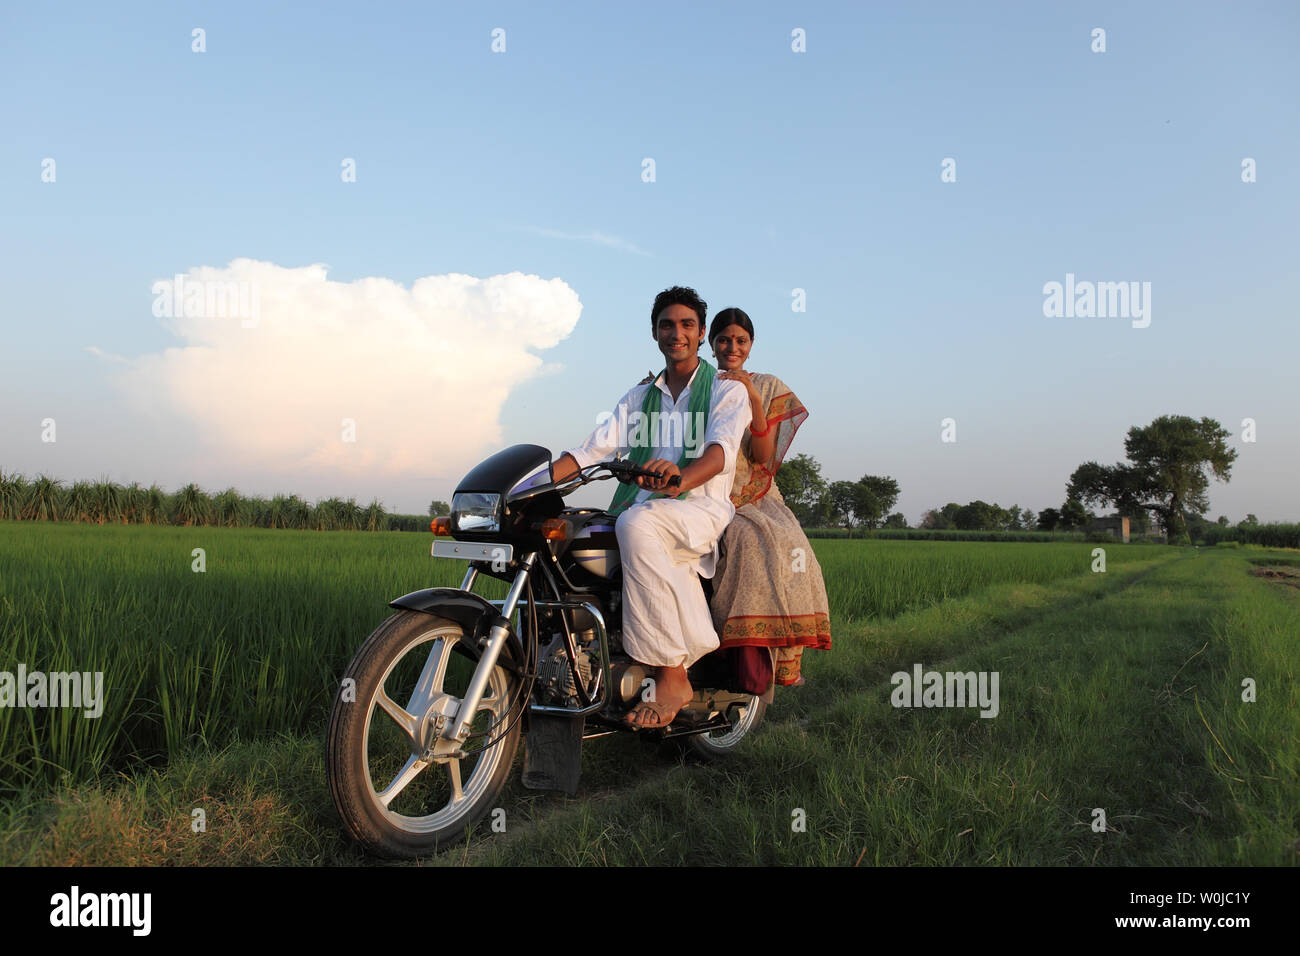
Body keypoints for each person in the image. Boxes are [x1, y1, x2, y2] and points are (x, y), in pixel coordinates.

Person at [550, 287, 751, 729]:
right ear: (655, 333)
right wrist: (527, 483)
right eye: (666, 325)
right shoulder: (640, 397)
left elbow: (720, 452)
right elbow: (589, 452)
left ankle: (673, 675)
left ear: (700, 335)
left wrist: (680, 479)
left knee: (638, 522)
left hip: (699, 507)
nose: (675, 333)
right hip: (646, 508)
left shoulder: (726, 390)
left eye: (686, 325)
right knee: (570, 536)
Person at [707, 307, 831, 688]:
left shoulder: (767, 384)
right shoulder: (698, 384)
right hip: (704, 487)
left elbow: (762, 457)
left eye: (740, 340)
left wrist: (752, 399)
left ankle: (774, 662)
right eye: (724, 339)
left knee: (784, 547)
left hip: (754, 493)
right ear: (711, 343)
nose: (732, 346)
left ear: (751, 345)